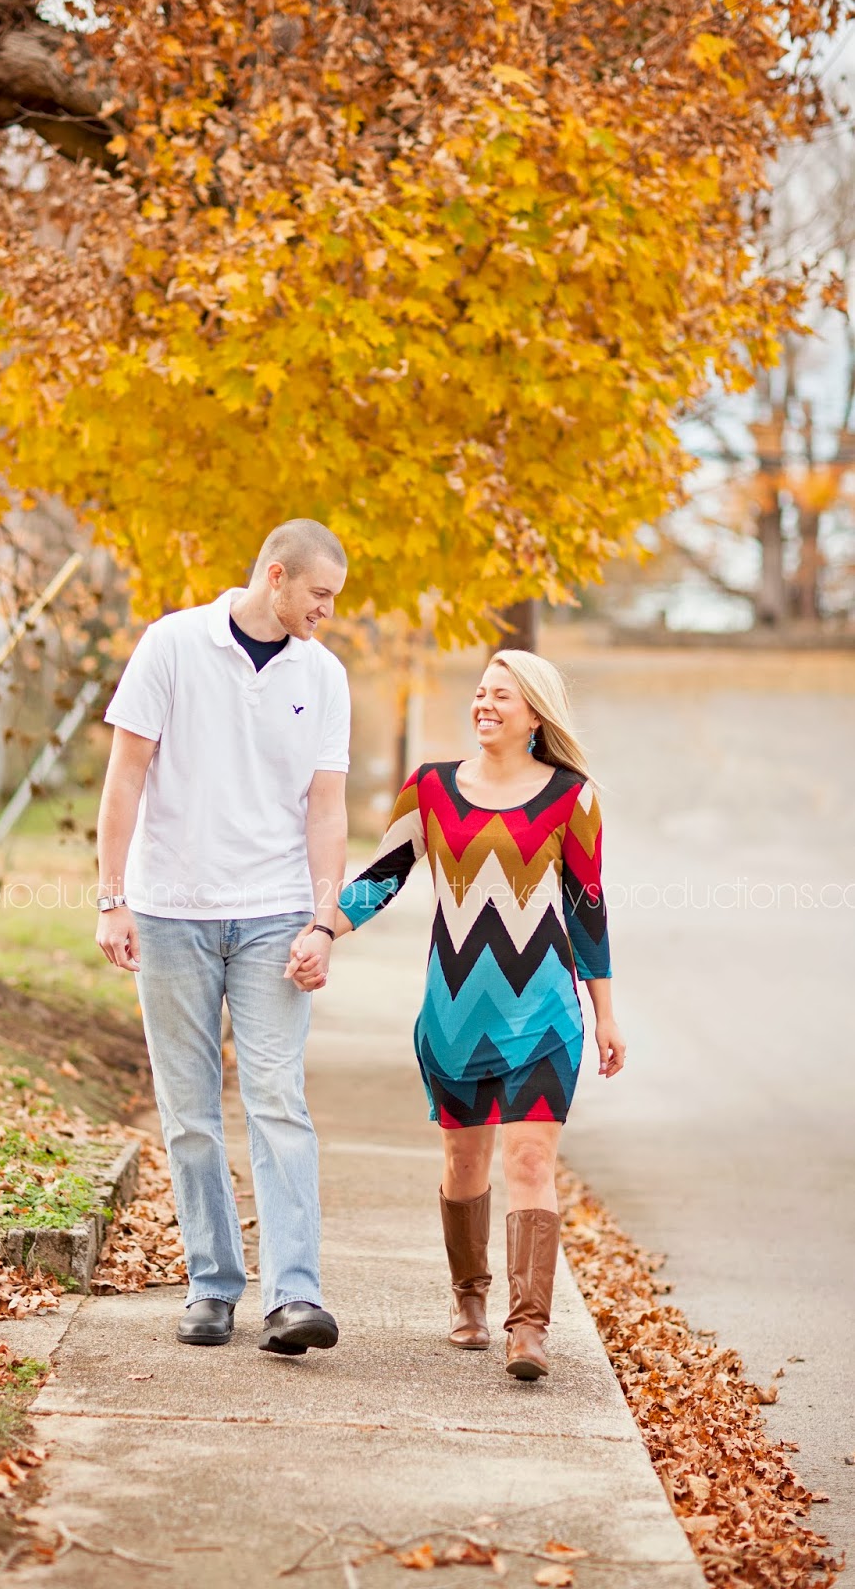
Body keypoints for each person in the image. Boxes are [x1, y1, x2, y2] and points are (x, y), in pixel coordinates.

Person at [287, 648, 625, 1380]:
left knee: (530, 1158)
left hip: (545, 1015)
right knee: (463, 1162)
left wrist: (604, 1014)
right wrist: (323, 929)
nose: (484, 705)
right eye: (480, 692)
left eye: (502, 696)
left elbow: (588, 910)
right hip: (454, 1012)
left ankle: (529, 1328)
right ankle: (468, 1294)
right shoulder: (431, 788)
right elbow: (382, 878)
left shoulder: (572, 798)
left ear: (535, 715)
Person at [96, 519, 351, 1355]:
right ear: (276, 576)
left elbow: (326, 809)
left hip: (276, 912)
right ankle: (211, 1285)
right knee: (190, 1111)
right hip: (171, 911)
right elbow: (125, 776)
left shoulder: (324, 675)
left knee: (278, 1100)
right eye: (319, 594)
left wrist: (323, 920)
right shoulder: (172, 646)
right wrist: (112, 898)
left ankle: (294, 1296)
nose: (326, 611)